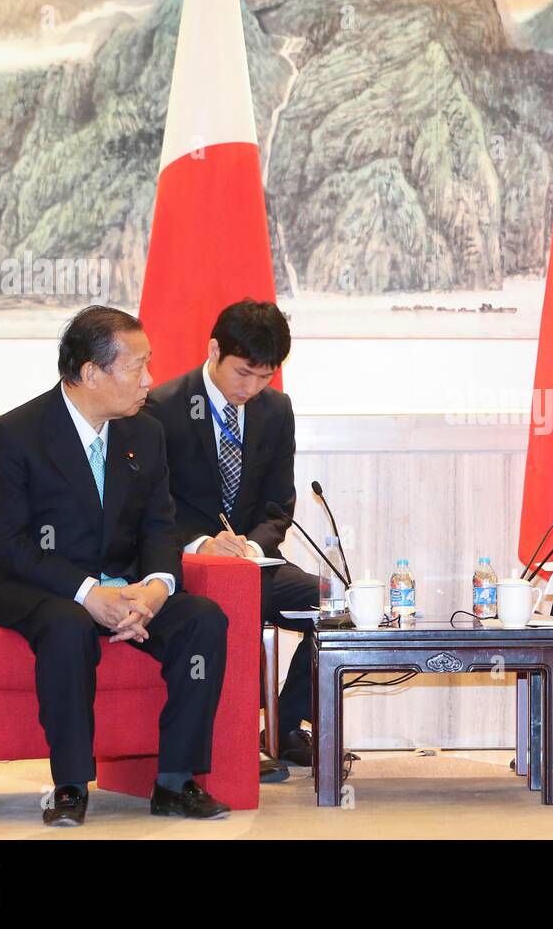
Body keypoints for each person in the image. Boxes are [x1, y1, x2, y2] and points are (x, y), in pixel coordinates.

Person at [0, 306, 231, 827]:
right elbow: (11, 544)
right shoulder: (16, 434)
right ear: (91, 373)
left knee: (203, 619)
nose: (150, 380)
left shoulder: (146, 434)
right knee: (68, 625)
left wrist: (156, 590)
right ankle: (70, 784)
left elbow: (161, 526)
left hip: (123, 590)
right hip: (37, 586)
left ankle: (175, 781)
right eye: (137, 368)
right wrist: (88, 593)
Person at [145, 299, 320, 771]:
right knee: (221, 612)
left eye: (265, 377)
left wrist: (253, 546)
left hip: (252, 563)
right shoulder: (161, 407)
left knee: (331, 606)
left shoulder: (276, 411)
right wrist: (201, 543)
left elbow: (278, 504)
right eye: (243, 373)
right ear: (214, 349)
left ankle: (284, 725)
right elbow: (149, 505)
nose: (252, 387)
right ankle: (229, 740)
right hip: (184, 565)